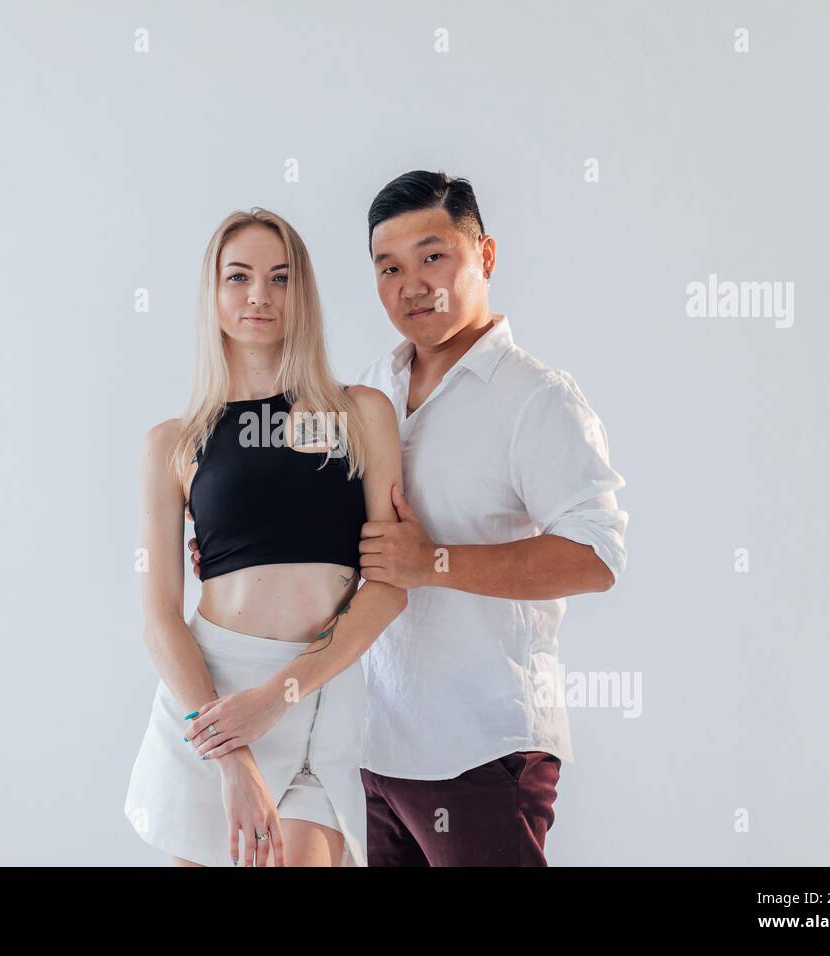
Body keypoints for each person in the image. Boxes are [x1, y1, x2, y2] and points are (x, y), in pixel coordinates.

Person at [189, 171, 629, 866]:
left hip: (480, 747)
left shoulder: (535, 399)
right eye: (388, 267)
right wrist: (235, 545)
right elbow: (342, 536)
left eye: (433, 257)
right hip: (371, 745)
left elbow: (597, 557)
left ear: (484, 256)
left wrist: (435, 563)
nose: (411, 284)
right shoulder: (371, 392)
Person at [124, 208, 407, 867]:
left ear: (302, 292)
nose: (259, 296)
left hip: (320, 687)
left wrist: (278, 695)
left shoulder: (360, 414)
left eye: (280, 278)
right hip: (210, 703)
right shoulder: (173, 443)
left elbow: (389, 589)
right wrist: (231, 754)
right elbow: (160, 621)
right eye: (239, 277)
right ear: (213, 293)